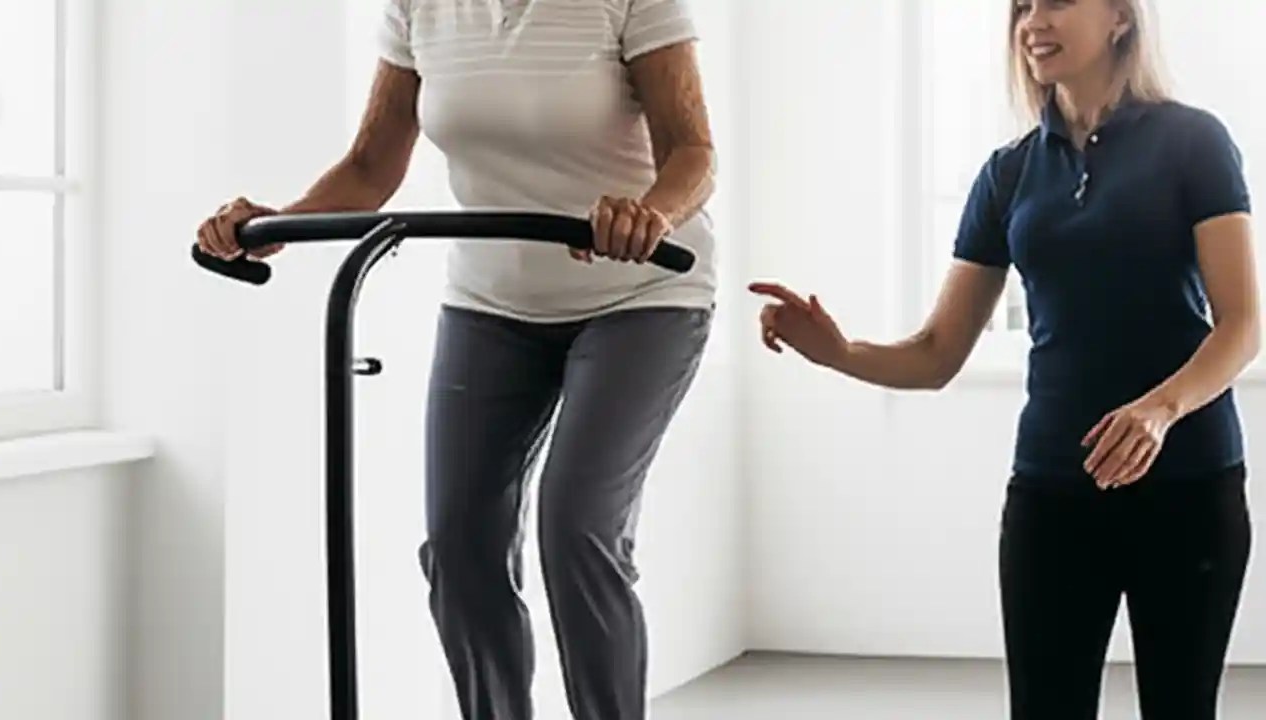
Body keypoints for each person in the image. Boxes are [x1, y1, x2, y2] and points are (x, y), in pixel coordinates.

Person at [196, 1, 717, 718]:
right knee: (460, 547)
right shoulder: (419, 7)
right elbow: (371, 164)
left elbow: (693, 151)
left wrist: (648, 213)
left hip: (641, 293)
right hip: (492, 303)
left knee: (576, 527)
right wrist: (274, 225)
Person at [752, 0, 1256, 718]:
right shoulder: (1009, 173)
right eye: (1021, 7)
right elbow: (935, 354)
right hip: (1051, 495)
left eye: (1055, 2)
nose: (1030, 22)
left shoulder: (1194, 142)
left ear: (1120, 17)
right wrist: (839, 352)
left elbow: (1240, 324)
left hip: (1188, 488)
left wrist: (1159, 410)